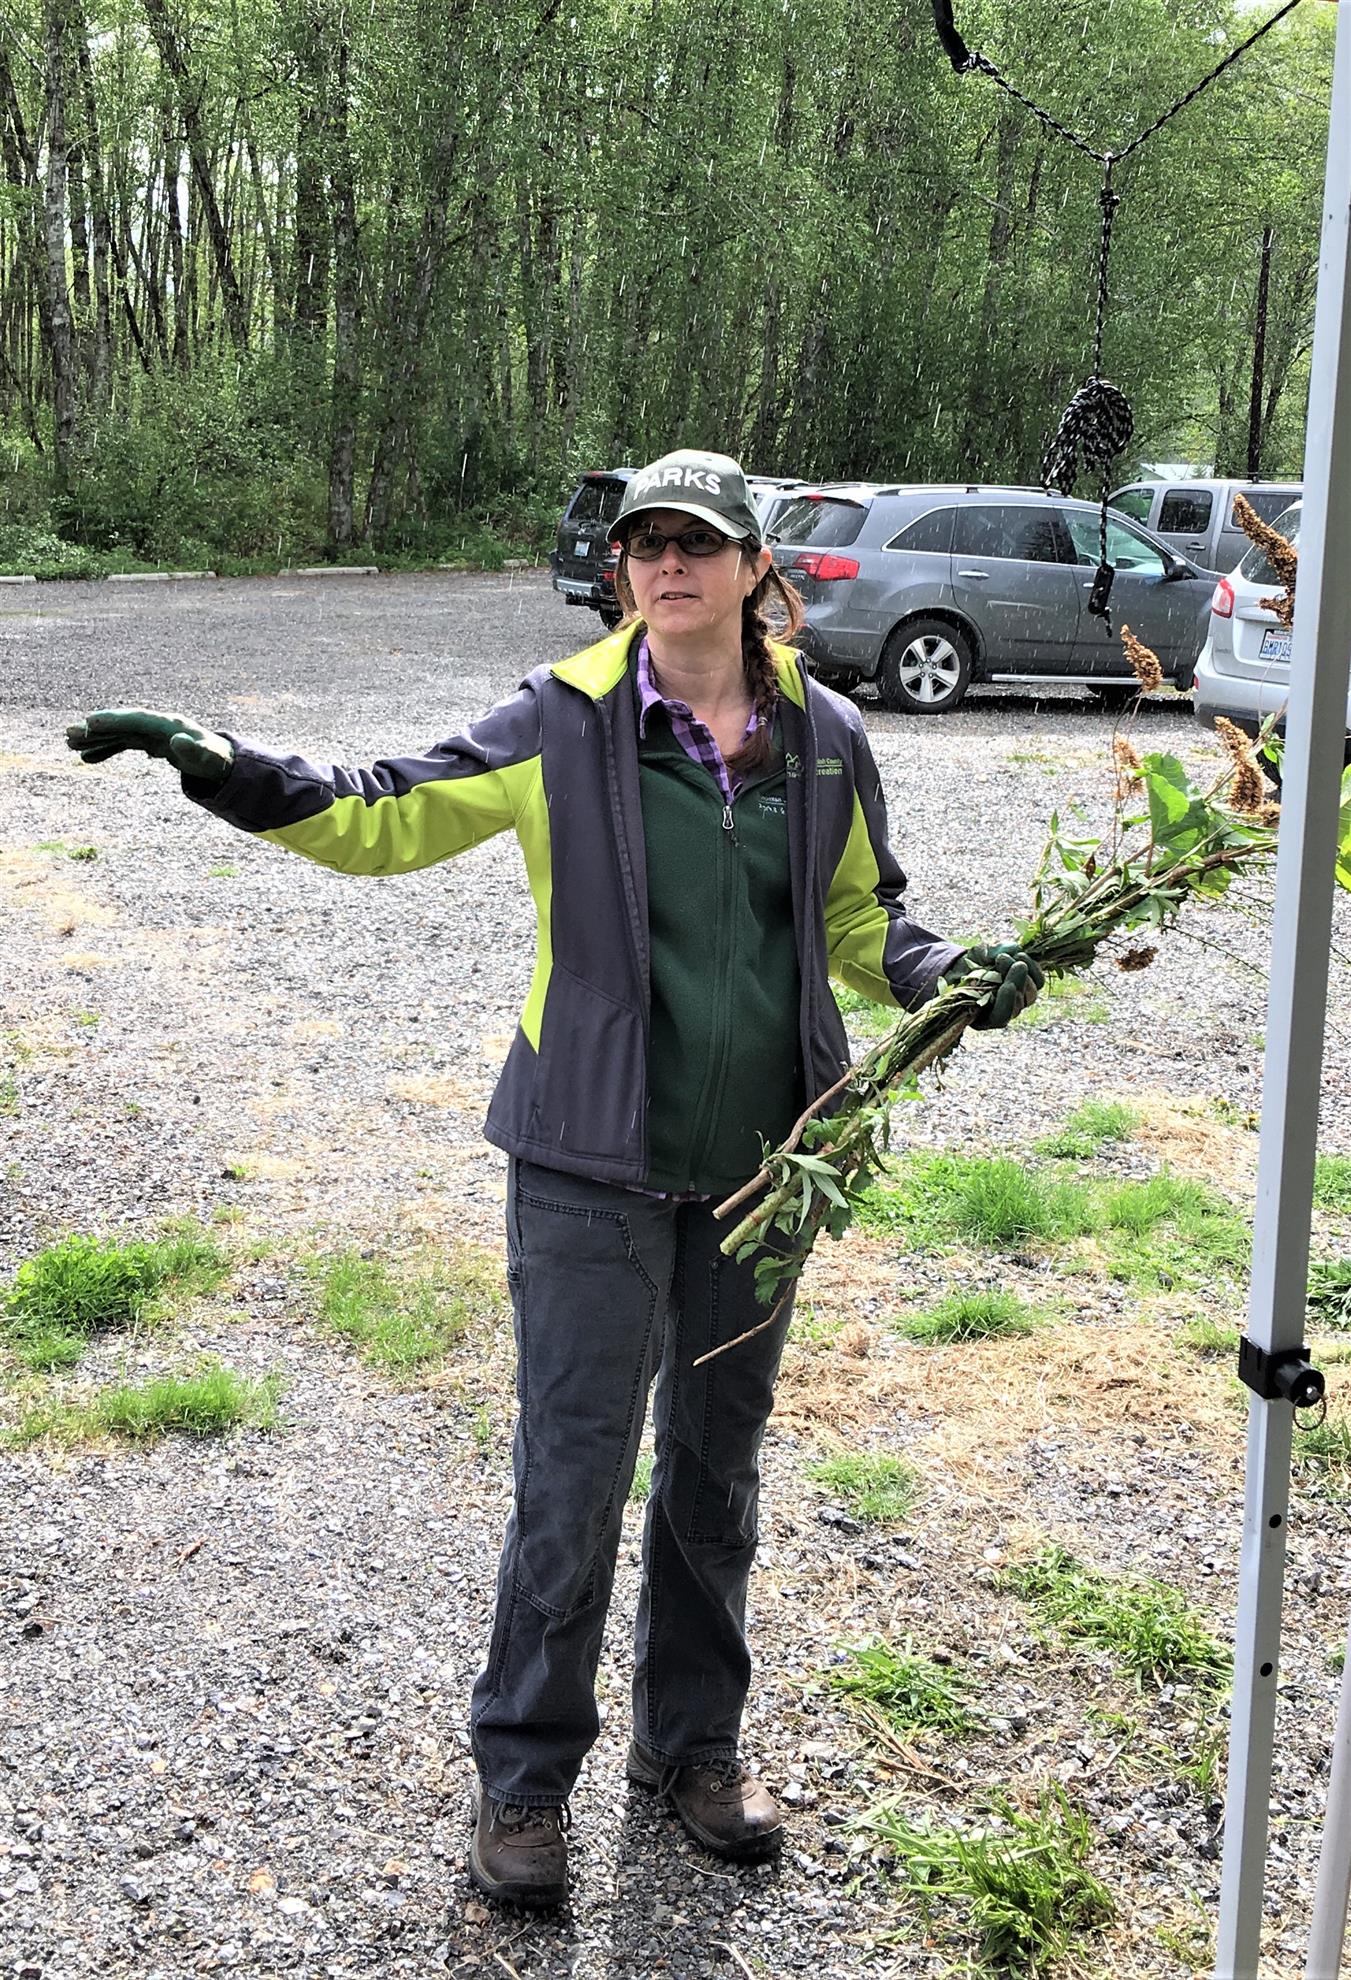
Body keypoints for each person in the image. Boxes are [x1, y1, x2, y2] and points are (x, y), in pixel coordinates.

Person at [65, 448, 1041, 1911]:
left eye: (697, 543)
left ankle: (693, 1752)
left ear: (753, 568)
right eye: (645, 542)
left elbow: (858, 915)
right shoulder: (565, 719)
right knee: (572, 1485)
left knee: (718, 1476)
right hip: (591, 1167)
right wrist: (228, 767)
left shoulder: (827, 735)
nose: (667, 564)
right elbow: (385, 808)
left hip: (768, 1174)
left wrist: (937, 972)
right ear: (622, 568)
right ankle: (525, 1783)